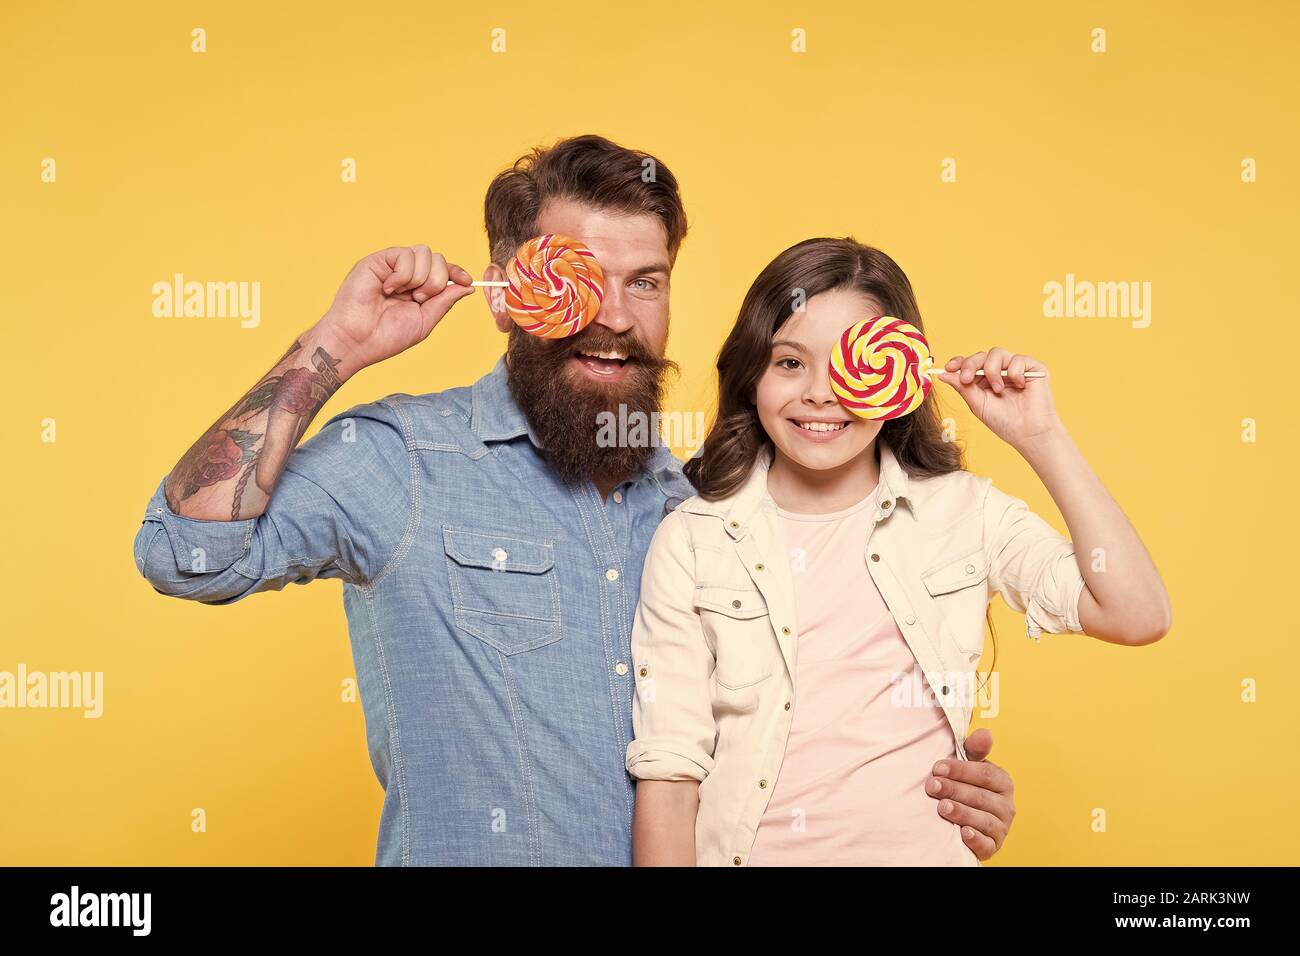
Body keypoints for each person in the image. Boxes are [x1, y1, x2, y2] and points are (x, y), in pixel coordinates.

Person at [134, 135, 1021, 865]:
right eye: (577, 277)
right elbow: (185, 551)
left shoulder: (698, 512)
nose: (615, 315)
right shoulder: (401, 460)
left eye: (646, 281)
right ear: (507, 292)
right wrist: (336, 345)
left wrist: (922, 796)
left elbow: (771, 746)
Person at [626, 237, 1171, 866]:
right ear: (751, 375)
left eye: (849, 366)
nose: (821, 394)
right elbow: (669, 771)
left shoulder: (963, 513)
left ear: (898, 378)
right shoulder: (695, 537)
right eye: (790, 363)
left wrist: (1040, 435)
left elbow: (1137, 613)